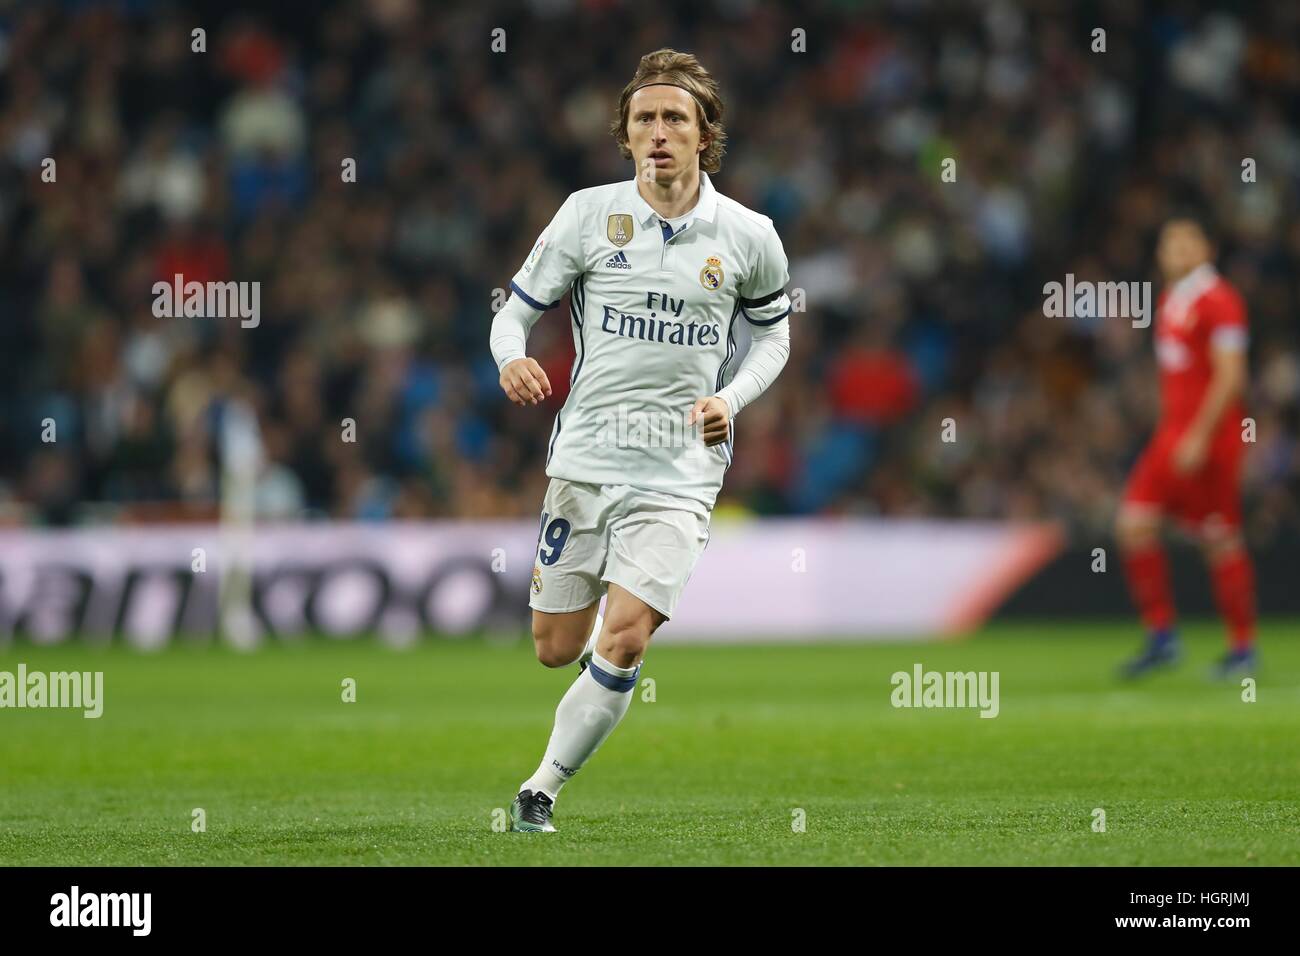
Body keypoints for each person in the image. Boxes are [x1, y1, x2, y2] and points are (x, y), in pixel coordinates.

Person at [489, 48, 792, 831]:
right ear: (625, 136)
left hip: (680, 473)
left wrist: (732, 397)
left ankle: (539, 791)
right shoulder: (588, 215)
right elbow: (514, 311)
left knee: (623, 639)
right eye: (644, 119)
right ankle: (585, 680)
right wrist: (512, 357)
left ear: (704, 134)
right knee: (557, 646)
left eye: (675, 119)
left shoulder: (750, 235)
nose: (659, 132)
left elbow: (774, 339)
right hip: (586, 460)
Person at [1117, 215, 1256, 679]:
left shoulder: (1220, 301)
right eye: (1167, 241)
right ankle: (1162, 637)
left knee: (1219, 538)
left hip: (1209, 439)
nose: (1175, 248)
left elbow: (1230, 375)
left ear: (1207, 248)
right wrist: (1169, 428)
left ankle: (1242, 649)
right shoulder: (1170, 300)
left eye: (1186, 239)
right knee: (1134, 523)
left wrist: (1198, 434)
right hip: (1172, 436)